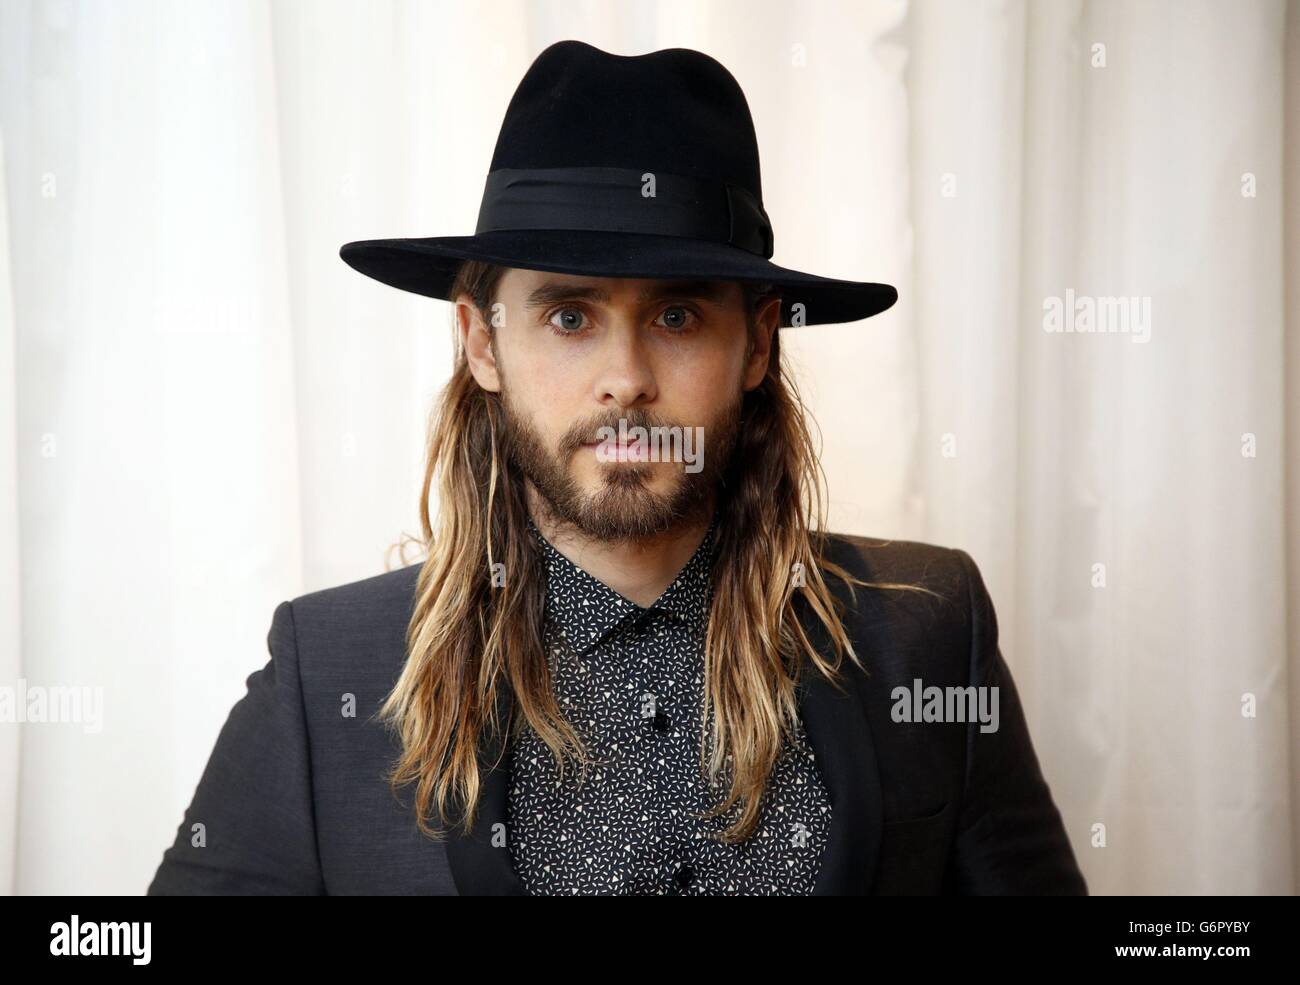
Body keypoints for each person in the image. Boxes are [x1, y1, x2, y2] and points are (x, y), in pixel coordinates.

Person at [148, 39, 1086, 895]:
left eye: (678, 316)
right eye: (569, 316)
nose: (627, 380)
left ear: (758, 346)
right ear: (483, 342)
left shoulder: (924, 626)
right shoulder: (328, 676)